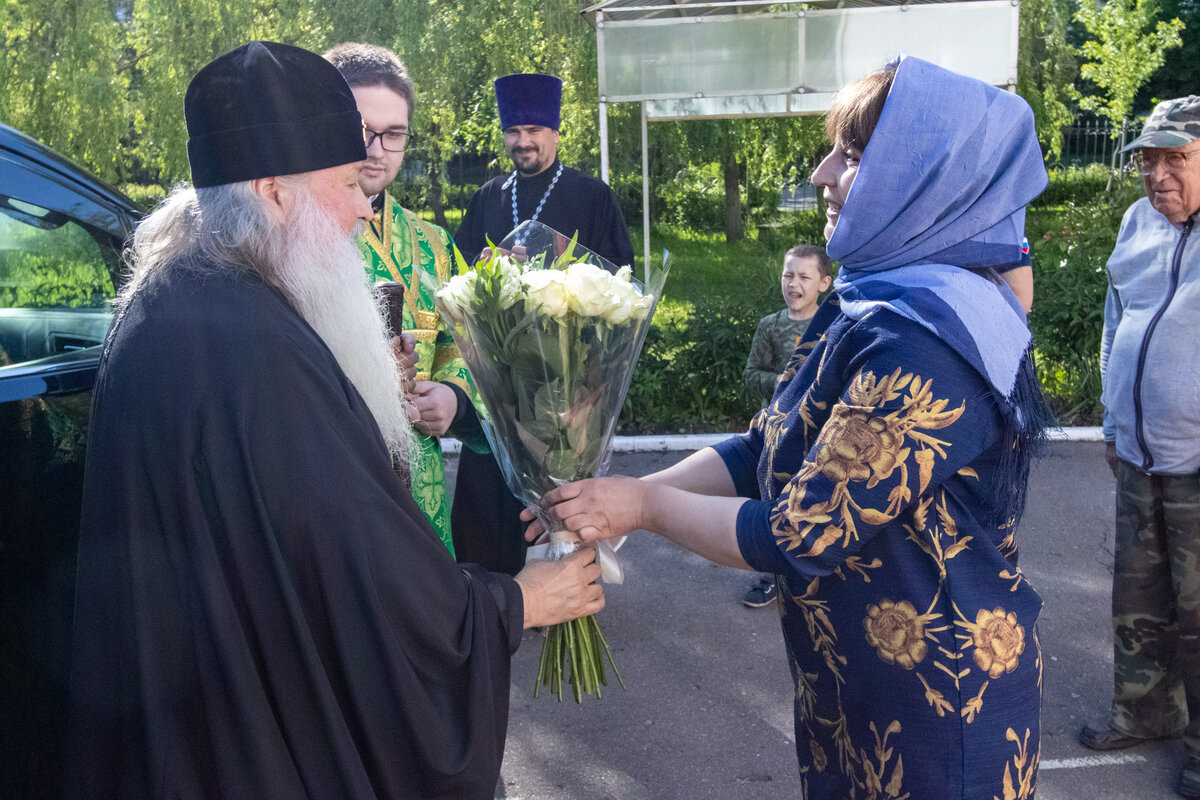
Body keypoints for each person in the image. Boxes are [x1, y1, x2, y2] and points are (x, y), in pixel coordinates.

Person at [65, 41, 603, 800]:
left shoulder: (186, 291)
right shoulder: (251, 347)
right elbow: (356, 574)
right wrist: (518, 602)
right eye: (349, 182)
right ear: (272, 191)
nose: (364, 205)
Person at [526, 55, 1050, 798]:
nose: (821, 173)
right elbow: (766, 445)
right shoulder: (869, 302)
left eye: (855, 156)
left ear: (929, 183)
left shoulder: (926, 342)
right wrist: (615, 504)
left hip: (941, 703)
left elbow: (802, 533)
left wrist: (640, 509)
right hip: (855, 683)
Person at [452, 72, 635, 575]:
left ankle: (566, 586)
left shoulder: (592, 195)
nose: (523, 141)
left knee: (562, 498)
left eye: (534, 130)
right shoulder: (489, 196)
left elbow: (622, 282)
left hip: (567, 390)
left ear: (555, 132)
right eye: (513, 131)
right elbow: (458, 276)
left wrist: (559, 266)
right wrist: (490, 267)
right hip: (499, 387)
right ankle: (496, 595)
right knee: (486, 502)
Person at [1079, 95, 1200, 800]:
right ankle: (1147, 711)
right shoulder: (1137, 222)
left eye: (1175, 158)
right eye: (1148, 160)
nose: (1157, 175)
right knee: (1140, 596)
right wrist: (1113, 417)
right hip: (1138, 450)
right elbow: (1116, 316)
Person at [323, 42, 486, 554]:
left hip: (422, 490)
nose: (376, 149)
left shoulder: (433, 243)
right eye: (361, 129)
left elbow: (466, 345)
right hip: (328, 490)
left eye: (393, 134)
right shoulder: (291, 237)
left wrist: (454, 399)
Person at [740, 244, 833, 607]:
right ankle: (769, 576)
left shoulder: (832, 326)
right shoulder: (770, 326)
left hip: (822, 436)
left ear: (823, 283)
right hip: (777, 435)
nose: (794, 284)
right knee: (772, 501)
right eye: (788, 275)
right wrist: (782, 381)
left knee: (813, 504)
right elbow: (751, 374)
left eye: (804, 277)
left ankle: (812, 572)